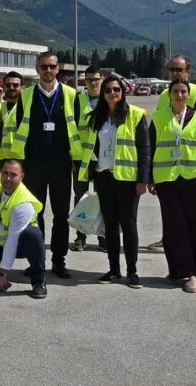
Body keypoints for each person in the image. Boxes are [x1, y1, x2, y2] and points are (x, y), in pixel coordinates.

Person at [10, 52, 83, 279]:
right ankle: (37, 261)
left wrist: (77, 160)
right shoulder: (27, 96)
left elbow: (78, 128)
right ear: (37, 69)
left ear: (58, 68)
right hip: (34, 164)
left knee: (61, 215)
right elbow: (20, 127)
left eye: (52, 66)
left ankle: (58, 260)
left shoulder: (71, 95)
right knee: (34, 215)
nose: (48, 71)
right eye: (44, 67)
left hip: (61, 164)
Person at [78, 75, 150, 288]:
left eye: (116, 89)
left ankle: (132, 272)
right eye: (108, 90)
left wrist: (143, 179)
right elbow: (90, 148)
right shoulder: (96, 117)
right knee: (109, 226)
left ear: (123, 91)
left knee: (128, 226)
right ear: (103, 93)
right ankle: (114, 270)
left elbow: (145, 150)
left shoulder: (135, 115)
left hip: (127, 180)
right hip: (104, 178)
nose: (112, 93)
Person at [148, 78, 196, 293]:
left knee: (192, 225)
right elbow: (150, 147)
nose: (180, 95)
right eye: (176, 91)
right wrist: (149, 178)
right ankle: (175, 270)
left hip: (190, 178)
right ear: (170, 94)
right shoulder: (158, 117)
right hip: (166, 178)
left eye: (184, 91)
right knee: (172, 226)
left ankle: (192, 273)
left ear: (188, 94)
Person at [0, 160, 47, 299]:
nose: (8, 178)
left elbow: (12, 238)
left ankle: (38, 281)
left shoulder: (23, 203)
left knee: (33, 235)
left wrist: (2, 273)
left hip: (18, 245)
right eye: (5, 173)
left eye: (13, 175)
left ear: (21, 177)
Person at [72, 65, 105, 252]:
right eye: (89, 79)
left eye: (96, 79)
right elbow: (72, 130)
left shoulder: (108, 98)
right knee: (80, 198)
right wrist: (73, 158)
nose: (93, 82)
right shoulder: (78, 101)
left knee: (103, 198)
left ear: (102, 79)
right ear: (85, 81)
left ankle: (102, 237)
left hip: (103, 159)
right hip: (82, 159)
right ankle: (80, 236)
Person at [0, 71, 24, 167]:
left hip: (20, 160)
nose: (11, 88)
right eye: (8, 85)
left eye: (15, 85)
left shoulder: (27, 108)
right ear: (4, 87)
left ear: (22, 87)